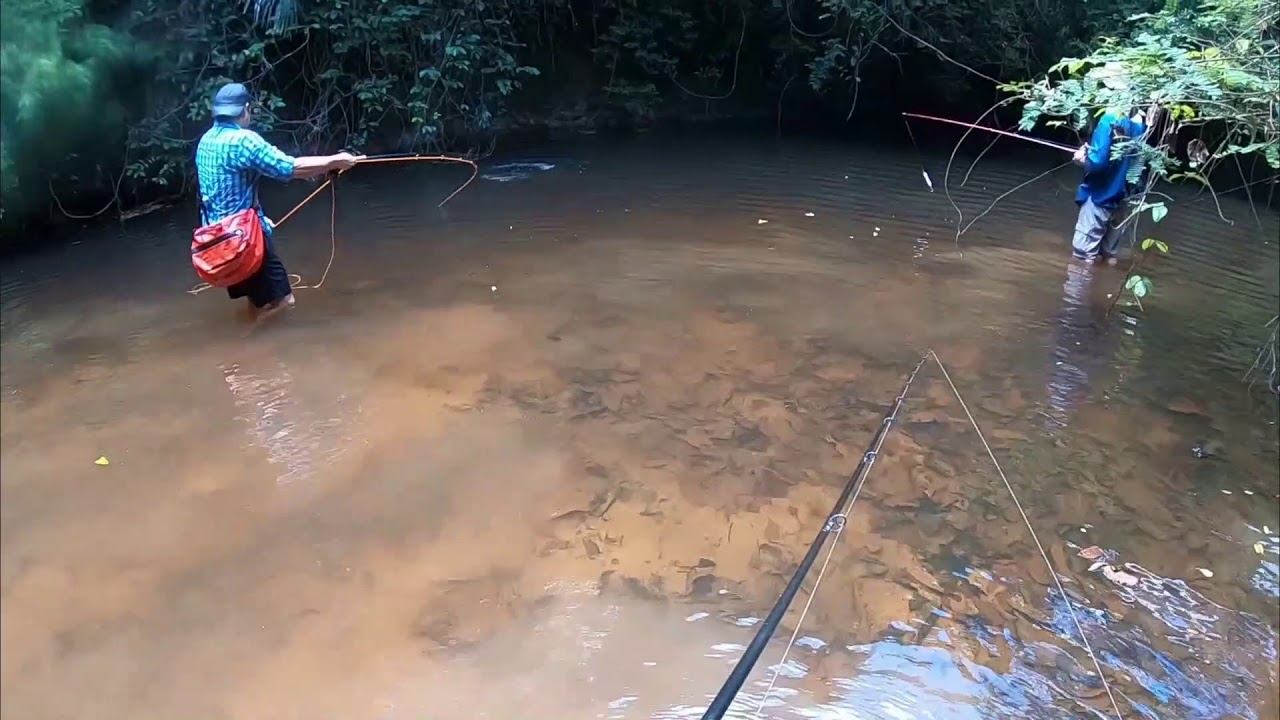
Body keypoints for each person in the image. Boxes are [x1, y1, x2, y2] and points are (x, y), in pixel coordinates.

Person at [194, 82, 363, 319]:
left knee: (259, 300)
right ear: (245, 109)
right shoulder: (243, 141)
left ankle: (250, 337)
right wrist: (335, 161)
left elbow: (224, 192)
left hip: (217, 242)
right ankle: (248, 344)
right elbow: (288, 168)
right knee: (284, 301)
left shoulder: (206, 141)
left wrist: (260, 220)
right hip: (244, 242)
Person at [1069, 100, 1158, 264]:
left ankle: (1080, 289)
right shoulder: (1141, 124)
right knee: (1109, 256)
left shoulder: (1109, 119)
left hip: (1099, 197)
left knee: (1082, 258)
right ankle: (1108, 289)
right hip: (1124, 201)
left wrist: (1081, 159)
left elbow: (1097, 164)